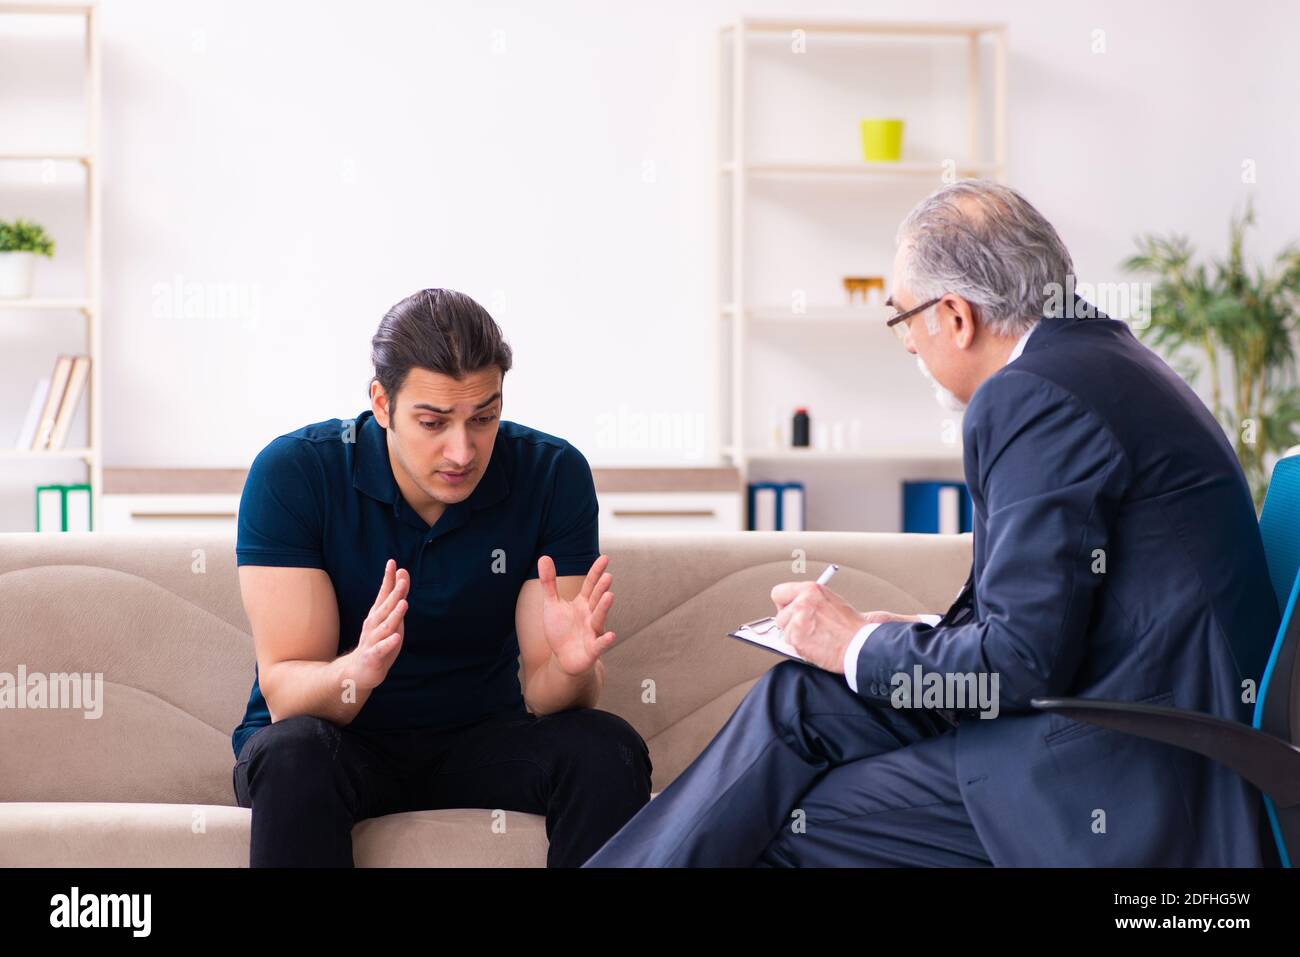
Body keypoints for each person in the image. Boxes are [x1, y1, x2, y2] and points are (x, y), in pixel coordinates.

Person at [584, 179, 1278, 867]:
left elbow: (1018, 665)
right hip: (1121, 715)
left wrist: (857, 643)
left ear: (954, 315)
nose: (908, 345)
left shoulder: (1033, 396)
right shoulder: (1095, 360)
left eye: (902, 317)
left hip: (1125, 770)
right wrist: (884, 639)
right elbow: (1047, 622)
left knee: (789, 820)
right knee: (800, 697)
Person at [231, 288, 651, 867]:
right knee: (293, 753)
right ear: (382, 404)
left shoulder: (552, 475)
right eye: (433, 422)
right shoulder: (296, 473)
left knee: (609, 746)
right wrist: (360, 670)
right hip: (337, 744)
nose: (462, 451)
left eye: (484, 417)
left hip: (480, 739)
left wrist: (571, 668)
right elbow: (285, 696)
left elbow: (545, 692)